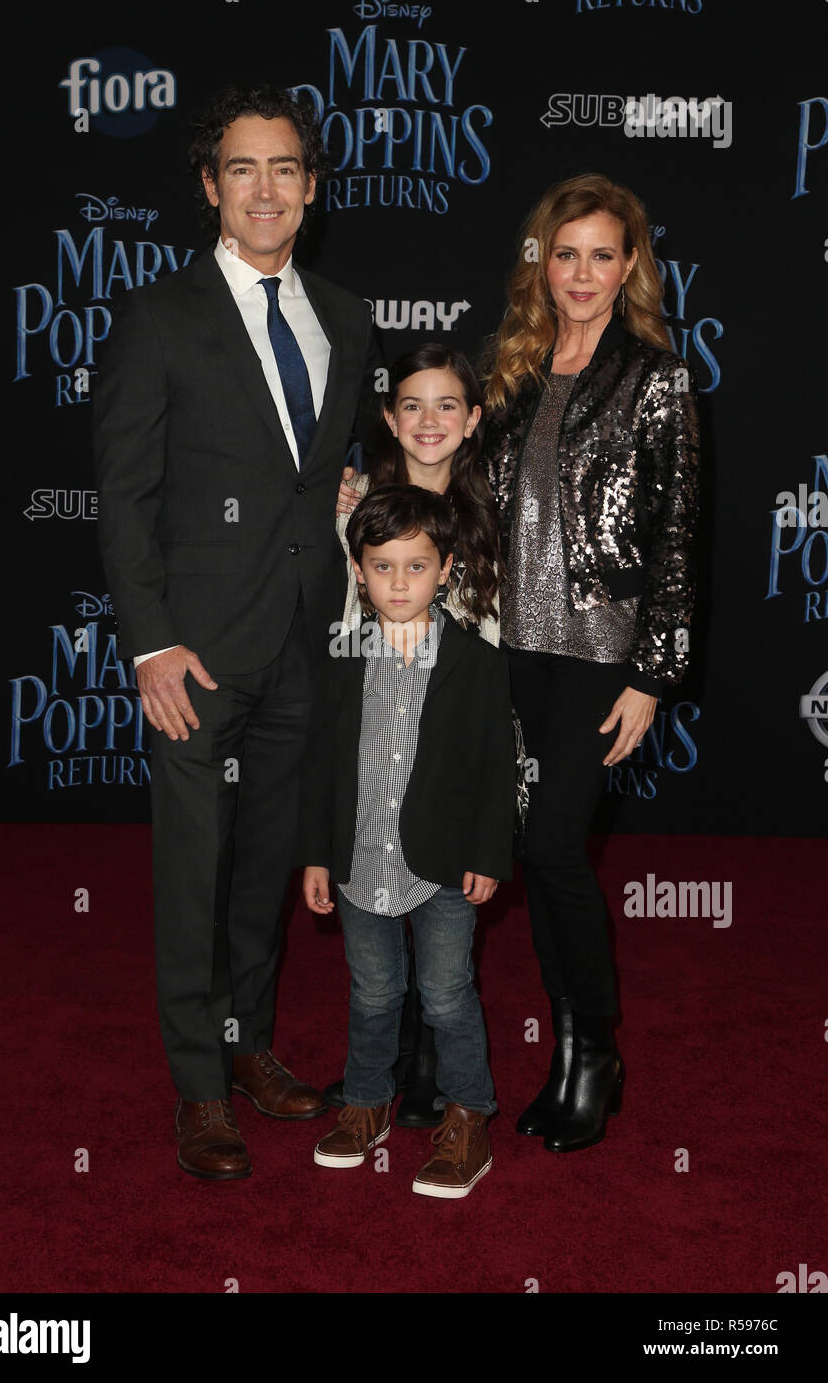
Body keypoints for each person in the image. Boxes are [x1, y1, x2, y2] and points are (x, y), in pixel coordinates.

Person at [93, 84, 378, 1180]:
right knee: (194, 872)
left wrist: (345, 510)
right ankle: (198, 1088)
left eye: (287, 169)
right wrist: (151, 642)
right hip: (195, 657)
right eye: (244, 169)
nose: (266, 188)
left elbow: (314, 481)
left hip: (306, 644)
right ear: (212, 187)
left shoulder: (343, 318)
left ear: (310, 188)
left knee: (262, 868)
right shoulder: (159, 318)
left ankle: (247, 1044)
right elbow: (123, 495)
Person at [483, 172, 700, 1152]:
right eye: (563, 252)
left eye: (601, 254)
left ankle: (590, 1048)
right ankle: (571, 1055)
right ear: (542, 261)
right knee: (524, 851)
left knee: (553, 849)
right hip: (506, 647)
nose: (580, 272)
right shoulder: (513, 365)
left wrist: (652, 677)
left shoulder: (654, 377)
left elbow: (677, 537)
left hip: (597, 655)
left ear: (628, 267)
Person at [299, 485, 515, 1198]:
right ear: (357, 570)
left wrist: (488, 854)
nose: (398, 582)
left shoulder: (476, 663)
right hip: (360, 859)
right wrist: (316, 853)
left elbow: (494, 766)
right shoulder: (339, 656)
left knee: (446, 993)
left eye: (416, 566)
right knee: (373, 991)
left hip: (444, 865)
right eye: (382, 566)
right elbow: (322, 762)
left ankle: (466, 1116)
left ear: (446, 568)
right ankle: (366, 1104)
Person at [324, 345, 502, 1129]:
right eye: (412, 406)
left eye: (447, 405)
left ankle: (439, 1077)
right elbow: (336, 602)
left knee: (442, 959)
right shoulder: (352, 502)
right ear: (390, 418)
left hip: (460, 719)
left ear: (470, 419)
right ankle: (380, 1076)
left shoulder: (492, 507)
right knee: (377, 956)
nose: (429, 422)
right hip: (373, 710)